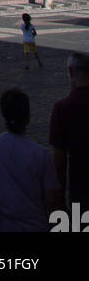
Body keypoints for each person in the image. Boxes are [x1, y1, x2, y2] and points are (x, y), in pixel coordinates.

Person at [0, 88, 60, 231]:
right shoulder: (42, 155)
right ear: (28, 118)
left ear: (4, 115)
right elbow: (52, 202)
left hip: (0, 226)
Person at [49, 51, 89, 209]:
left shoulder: (63, 109)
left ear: (71, 71)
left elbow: (58, 164)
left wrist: (57, 206)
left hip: (82, 193)